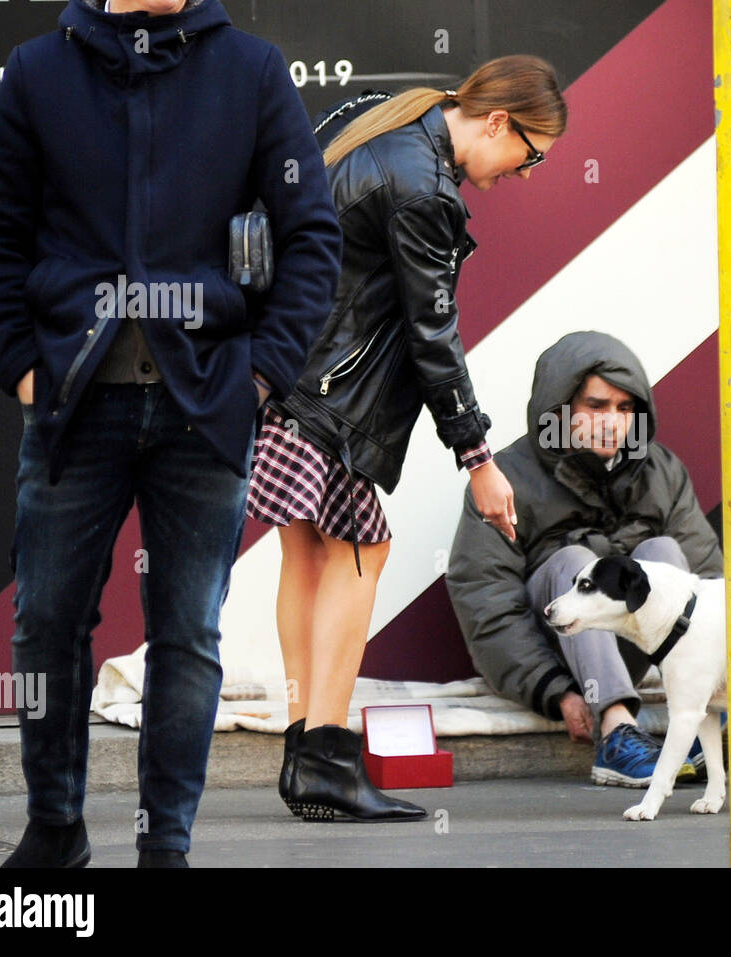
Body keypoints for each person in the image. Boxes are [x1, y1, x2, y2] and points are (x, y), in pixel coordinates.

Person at [0, 0, 342, 866]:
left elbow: (313, 235)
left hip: (205, 405)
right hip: (71, 404)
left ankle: (164, 847)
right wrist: (22, 365)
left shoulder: (252, 69)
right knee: (45, 626)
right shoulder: (36, 71)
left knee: (187, 636)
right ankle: (54, 831)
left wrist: (260, 373)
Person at [247, 55, 567, 821]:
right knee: (363, 551)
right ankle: (322, 753)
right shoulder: (423, 188)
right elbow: (433, 337)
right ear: (498, 122)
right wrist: (479, 459)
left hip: (282, 367)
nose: (522, 174)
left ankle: (305, 748)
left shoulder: (380, 113)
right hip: (337, 396)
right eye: (530, 155)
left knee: (306, 550)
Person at [447, 332, 723, 786]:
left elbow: (710, 586)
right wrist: (556, 690)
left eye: (624, 408)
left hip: (635, 645)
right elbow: (485, 600)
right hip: (558, 649)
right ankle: (617, 732)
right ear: (560, 409)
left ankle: (692, 721)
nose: (612, 422)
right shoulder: (507, 476)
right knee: (574, 561)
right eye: (596, 406)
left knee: (664, 554)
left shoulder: (661, 470)